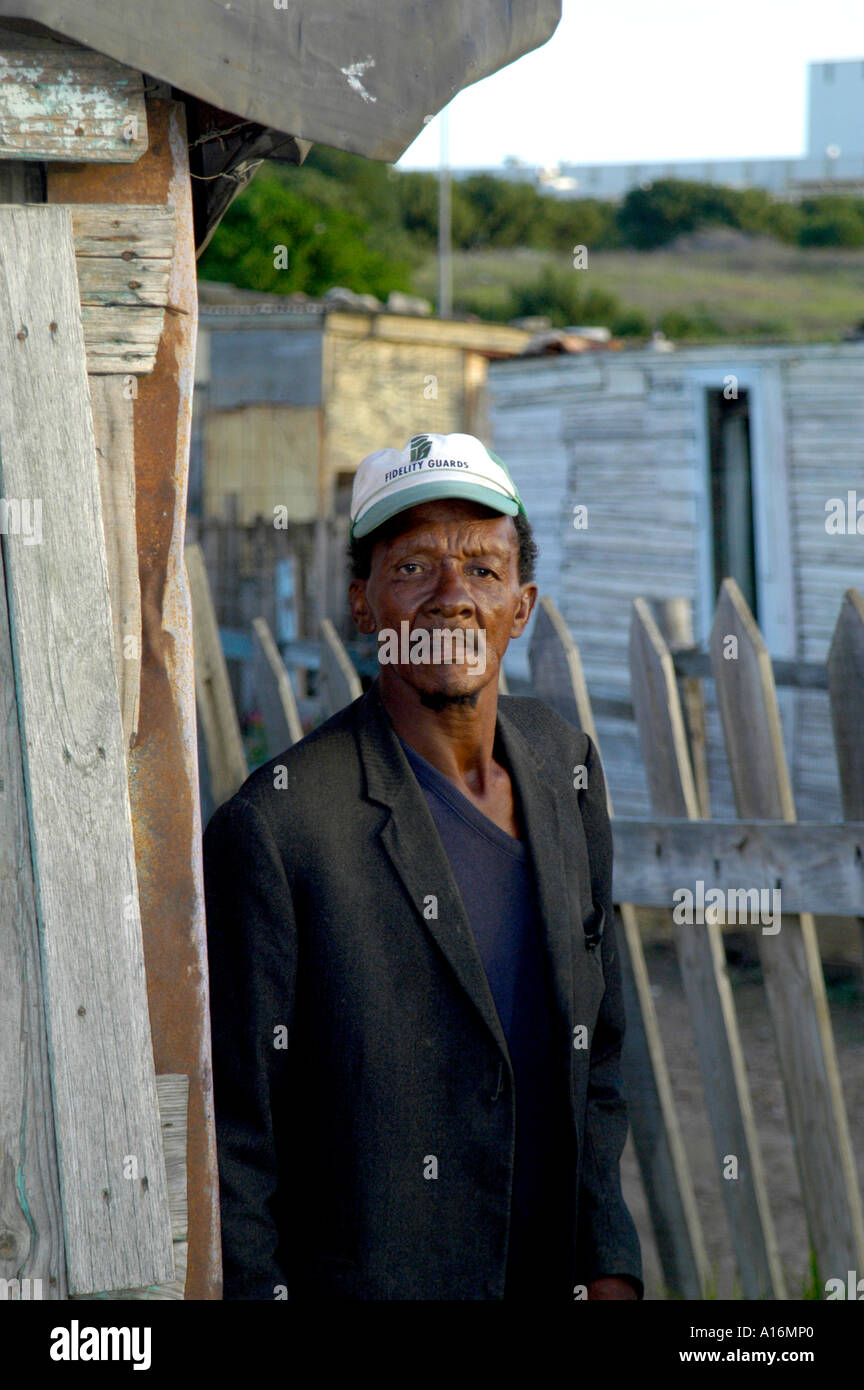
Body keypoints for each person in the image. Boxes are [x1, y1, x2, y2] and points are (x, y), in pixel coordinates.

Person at [203, 431, 643, 1301]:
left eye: (483, 568)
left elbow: (600, 1058)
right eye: (413, 568)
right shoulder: (280, 827)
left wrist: (609, 1266)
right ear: (364, 604)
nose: (451, 597)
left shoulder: (566, 769)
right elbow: (234, 1149)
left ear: (522, 605)